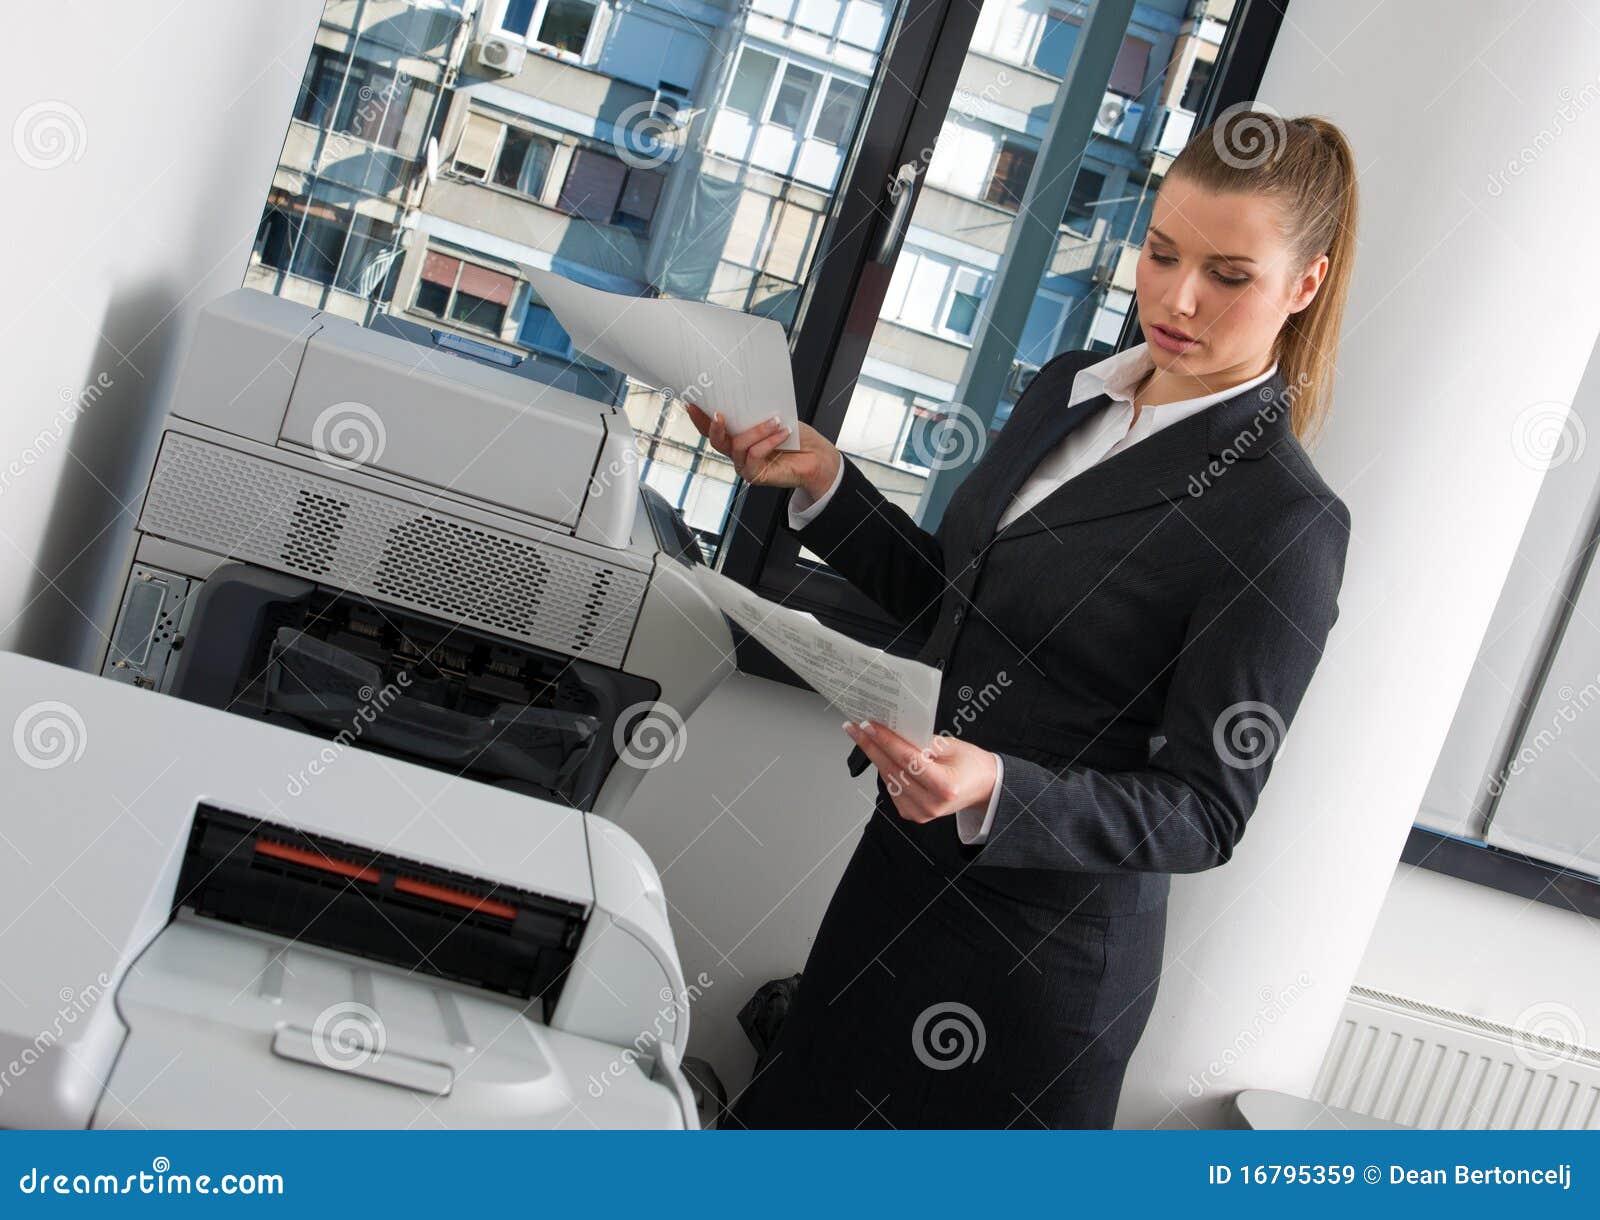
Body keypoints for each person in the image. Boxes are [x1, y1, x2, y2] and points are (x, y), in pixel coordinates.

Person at [685, 111, 1358, 1128]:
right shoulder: (1068, 391)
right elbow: (964, 602)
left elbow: (1203, 810)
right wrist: (828, 486)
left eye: (1228, 275)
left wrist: (1001, 785)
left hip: (1035, 979)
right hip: (895, 888)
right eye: (1162, 252)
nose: (1176, 297)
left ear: (1300, 286)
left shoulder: (1281, 519)